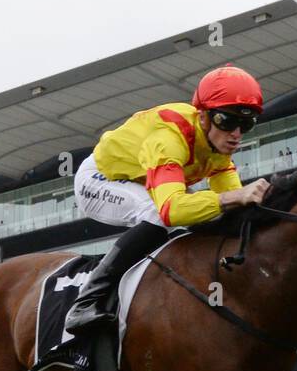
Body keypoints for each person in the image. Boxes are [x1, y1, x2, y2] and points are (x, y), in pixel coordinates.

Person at [64, 65, 272, 335]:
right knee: (155, 214)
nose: (236, 134)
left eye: (246, 124)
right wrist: (234, 196)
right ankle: (85, 301)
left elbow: (233, 212)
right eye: (227, 121)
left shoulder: (218, 146)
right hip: (100, 178)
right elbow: (171, 211)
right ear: (204, 117)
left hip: (141, 181)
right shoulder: (169, 138)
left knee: (204, 214)